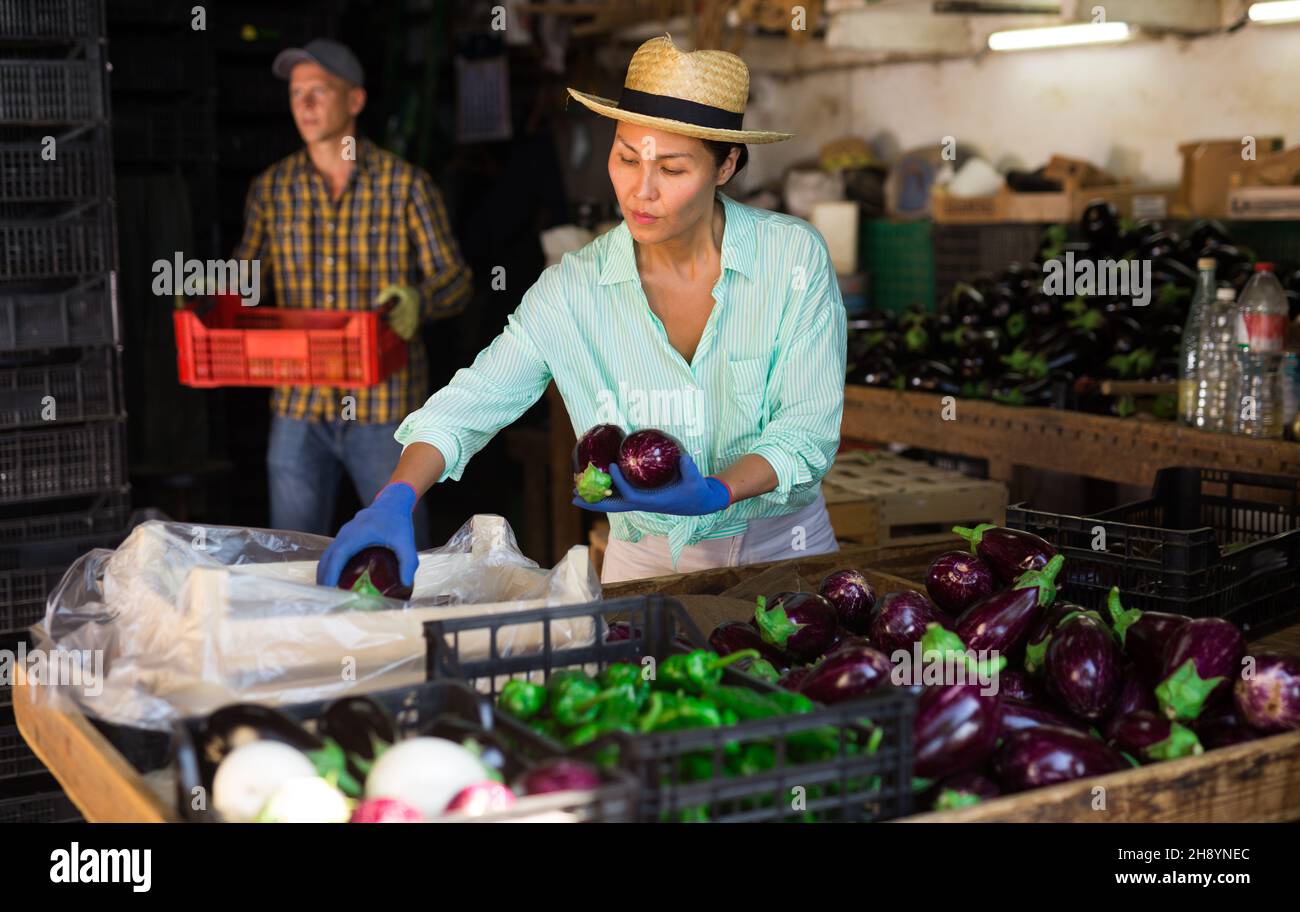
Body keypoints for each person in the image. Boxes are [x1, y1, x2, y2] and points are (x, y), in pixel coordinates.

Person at [317, 36, 844, 589]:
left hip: (784, 549)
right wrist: (395, 497)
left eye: (671, 168)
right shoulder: (572, 291)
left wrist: (719, 490)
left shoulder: (792, 258)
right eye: (625, 157)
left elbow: (806, 431)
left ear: (725, 165)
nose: (641, 191)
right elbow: (472, 402)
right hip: (643, 559)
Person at [234, 39, 472, 548]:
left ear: (356, 101)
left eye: (320, 91)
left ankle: (406, 628)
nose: (305, 104)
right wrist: (208, 291)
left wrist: (418, 301)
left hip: (383, 404)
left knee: (397, 547)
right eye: (297, 93)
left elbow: (455, 280)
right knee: (291, 551)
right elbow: (245, 278)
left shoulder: (404, 185)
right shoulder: (272, 189)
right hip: (298, 398)